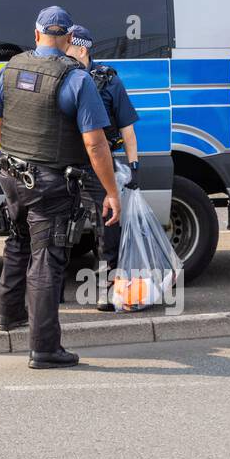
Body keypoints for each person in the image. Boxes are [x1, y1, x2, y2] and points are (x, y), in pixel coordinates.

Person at [0, 6, 121, 369]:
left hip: (11, 174)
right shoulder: (77, 79)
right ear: (67, 40)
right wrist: (111, 192)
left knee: (18, 241)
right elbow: (95, 144)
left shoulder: (10, 69)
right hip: (49, 182)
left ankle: (9, 314)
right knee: (47, 258)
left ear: (35, 35)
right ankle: (45, 348)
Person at [65, 24, 141, 312]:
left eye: (69, 46)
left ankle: (105, 290)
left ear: (82, 49)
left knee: (106, 227)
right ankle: (55, 289)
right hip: (66, 163)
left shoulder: (108, 81)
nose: (63, 50)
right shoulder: (61, 75)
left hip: (99, 164)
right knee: (61, 228)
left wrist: (134, 168)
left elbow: (128, 130)